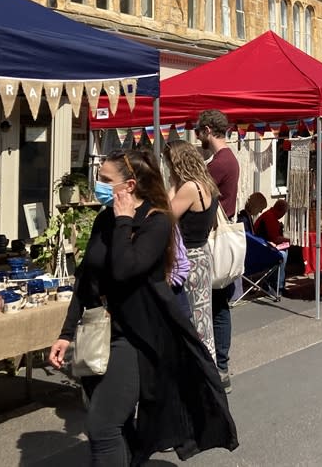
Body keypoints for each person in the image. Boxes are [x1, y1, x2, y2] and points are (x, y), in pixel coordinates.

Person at [49, 148, 237, 465]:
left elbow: (124, 270)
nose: (99, 184)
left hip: (137, 339)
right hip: (99, 331)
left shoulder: (156, 222)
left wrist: (123, 222)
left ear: (131, 185)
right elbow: (86, 278)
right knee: (118, 426)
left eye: (106, 179)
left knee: (101, 425)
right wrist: (66, 333)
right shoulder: (104, 219)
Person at [163, 140, 219, 363]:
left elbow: (165, 217)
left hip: (188, 259)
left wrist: (172, 186)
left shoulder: (188, 188)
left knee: (191, 319)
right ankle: (209, 368)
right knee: (203, 320)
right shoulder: (208, 184)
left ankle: (199, 372)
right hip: (202, 255)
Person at [198, 109, 240, 393]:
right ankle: (219, 363)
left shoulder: (220, 162)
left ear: (209, 130)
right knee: (219, 304)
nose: (197, 135)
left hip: (214, 237)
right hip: (217, 234)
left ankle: (219, 365)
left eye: (199, 130)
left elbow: (198, 191)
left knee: (216, 304)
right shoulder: (227, 159)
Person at [254, 198, 290, 295]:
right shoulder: (270, 218)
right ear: (281, 211)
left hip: (261, 246)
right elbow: (275, 239)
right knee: (283, 254)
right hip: (263, 249)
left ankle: (276, 282)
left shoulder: (269, 215)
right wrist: (291, 240)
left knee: (284, 251)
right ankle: (278, 285)